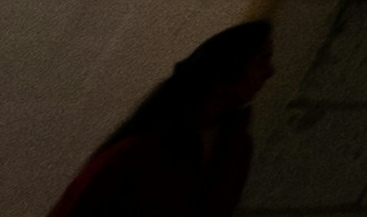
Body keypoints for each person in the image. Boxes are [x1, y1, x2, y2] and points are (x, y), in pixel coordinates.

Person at [43, 21, 268, 217]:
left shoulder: (235, 149)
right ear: (226, 72)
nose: (270, 71)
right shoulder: (140, 150)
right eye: (261, 61)